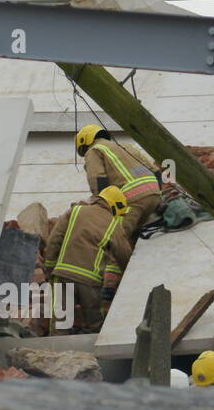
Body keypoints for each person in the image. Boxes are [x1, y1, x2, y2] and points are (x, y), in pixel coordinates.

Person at [43, 185, 132, 334]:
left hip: (63, 275)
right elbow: (124, 255)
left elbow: (54, 240)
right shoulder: (113, 224)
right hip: (90, 282)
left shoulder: (75, 211)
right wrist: (129, 280)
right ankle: (93, 356)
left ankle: (57, 355)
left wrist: (50, 269)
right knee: (94, 325)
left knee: (61, 325)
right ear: (116, 207)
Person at [75, 123, 162, 241]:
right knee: (133, 237)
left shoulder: (94, 150)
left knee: (114, 238)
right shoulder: (127, 146)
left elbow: (98, 179)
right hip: (154, 196)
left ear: (84, 140)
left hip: (132, 201)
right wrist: (158, 193)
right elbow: (156, 171)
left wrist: (102, 206)